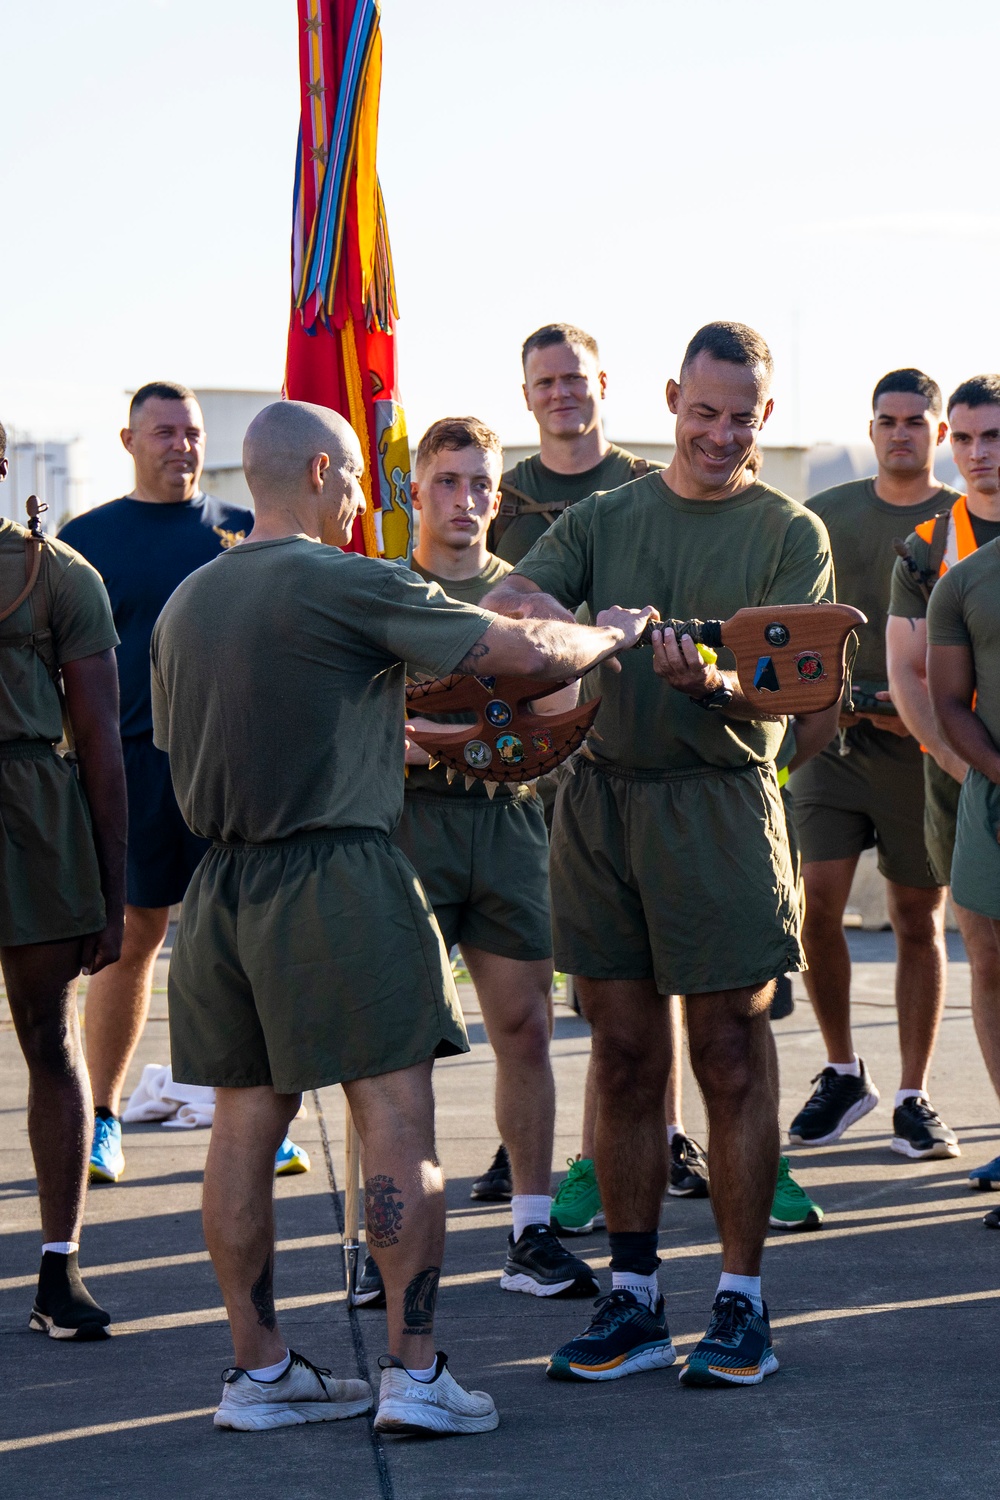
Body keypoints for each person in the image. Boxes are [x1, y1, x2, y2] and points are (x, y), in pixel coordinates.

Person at [150, 399, 652, 1432]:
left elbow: (200, 739)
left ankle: (258, 1375)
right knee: (396, 1117)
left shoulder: (186, 601)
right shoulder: (348, 579)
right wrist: (609, 636)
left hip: (221, 890)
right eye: (355, 479)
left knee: (242, 1127)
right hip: (337, 874)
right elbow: (521, 657)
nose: (361, 500)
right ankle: (414, 1375)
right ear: (323, 475)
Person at [483, 322, 837, 1387]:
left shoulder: (790, 532)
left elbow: (799, 693)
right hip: (601, 807)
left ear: (765, 418)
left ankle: (741, 1304)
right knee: (625, 1054)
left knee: (729, 1054)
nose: (721, 435)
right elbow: (508, 602)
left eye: (742, 419)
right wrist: (590, 632)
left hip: (720, 807)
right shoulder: (606, 515)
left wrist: (713, 683)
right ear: (673, 398)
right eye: (705, 412)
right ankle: (632, 1300)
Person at [478, 321, 710, 1228]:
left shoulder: (646, 487)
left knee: (648, 965)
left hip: (629, 750)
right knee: (532, 975)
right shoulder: (502, 497)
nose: (562, 393)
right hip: (524, 759)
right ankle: (528, 1143)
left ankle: (666, 1129)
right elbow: (491, 601)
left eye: (575, 377)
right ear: (526, 395)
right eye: (545, 382)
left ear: (603, 384)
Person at [60, 383, 307, 1183]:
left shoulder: (246, 531)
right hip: (129, 765)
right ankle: (102, 1117)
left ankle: (264, 1121)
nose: (182, 445)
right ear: (128, 441)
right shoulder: (85, 540)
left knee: (242, 940)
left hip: (230, 763)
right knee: (132, 939)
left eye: (193, 432)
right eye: (164, 431)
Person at [388, 415, 596, 1300]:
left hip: (506, 822)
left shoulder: (524, 594)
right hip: (406, 828)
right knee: (396, 1047)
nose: (465, 500)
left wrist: (552, 646)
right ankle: (389, 1241)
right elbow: (361, 725)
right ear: (415, 490)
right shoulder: (383, 591)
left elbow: (560, 715)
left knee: (526, 1028)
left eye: (480, 484)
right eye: (448, 480)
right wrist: (439, 735)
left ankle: (530, 1231)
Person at [788, 369, 962, 1160]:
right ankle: (841, 1072)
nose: (900, 433)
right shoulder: (826, 514)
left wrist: (926, 707)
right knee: (814, 907)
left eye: (915, 421)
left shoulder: (958, 521)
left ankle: (913, 1095)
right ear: (871, 429)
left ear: (937, 433)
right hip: (832, 743)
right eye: (887, 420)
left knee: (917, 920)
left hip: (921, 752)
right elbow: (797, 619)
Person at [0, 418, 127, 1339]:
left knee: (49, 1037)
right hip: (37, 813)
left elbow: (101, 742)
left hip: (35, 817)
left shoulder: (60, 574)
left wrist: (111, 897)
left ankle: (59, 1267)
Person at [892, 375, 1000, 1204]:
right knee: (985, 957)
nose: (977, 453)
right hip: (968, 777)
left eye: (991, 436)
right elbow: (913, 673)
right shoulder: (932, 548)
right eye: (962, 438)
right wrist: (973, 770)